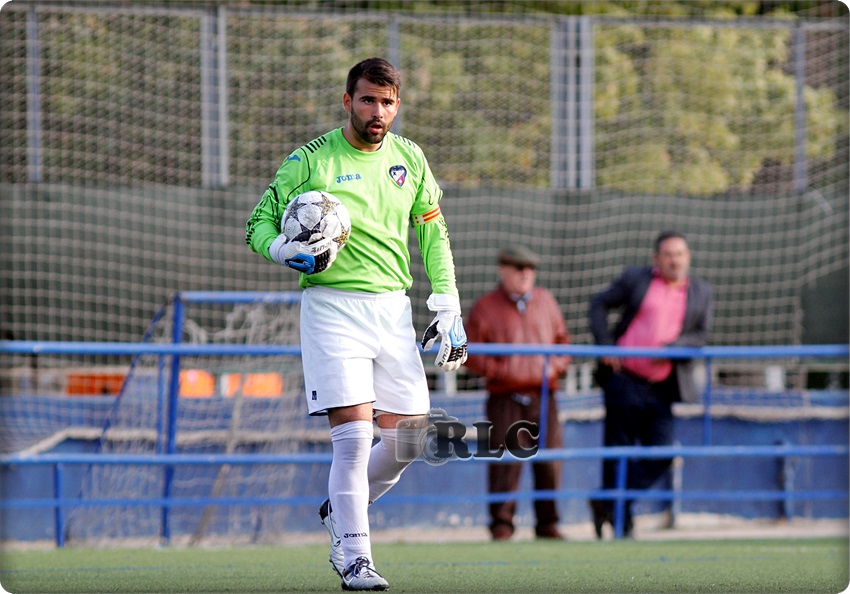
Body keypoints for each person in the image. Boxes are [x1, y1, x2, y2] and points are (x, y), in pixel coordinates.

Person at [246, 57, 467, 591]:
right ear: (348, 101)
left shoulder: (410, 159)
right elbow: (258, 223)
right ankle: (354, 558)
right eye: (368, 99)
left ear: (397, 105)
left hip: (393, 308)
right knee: (352, 440)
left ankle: (342, 513)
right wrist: (282, 248)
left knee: (409, 441)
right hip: (332, 307)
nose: (378, 111)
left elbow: (433, 236)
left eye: (388, 102)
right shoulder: (310, 161)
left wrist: (448, 304)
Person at [587, 230, 713, 539]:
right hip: (624, 380)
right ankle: (621, 522)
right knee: (618, 452)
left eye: (680, 254)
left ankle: (609, 502)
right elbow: (598, 305)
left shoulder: (701, 291)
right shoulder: (637, 279)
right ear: (656, 259)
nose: (675, 260)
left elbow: (700, 336)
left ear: (688, 257)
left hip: (663, 387)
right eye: (668, 255)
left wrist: (674, 346)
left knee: (660, 455)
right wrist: (606, 347)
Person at [464, 245, 572, 541]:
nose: (525, 274)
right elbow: (470, 352)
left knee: (550, 460)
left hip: (543, 394)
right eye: (518, 268)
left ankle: (548, 524)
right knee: (504, 462)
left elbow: (564, 343)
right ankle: (501, 525)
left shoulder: (546, 301)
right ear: (503, 270)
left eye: (530, 268)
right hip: (504, 397)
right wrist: (502, 373)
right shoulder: (485, 307)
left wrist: (553, 369)